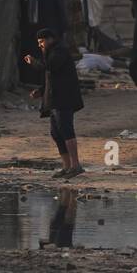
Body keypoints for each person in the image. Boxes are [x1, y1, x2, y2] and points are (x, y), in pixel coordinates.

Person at [25, 27, 85, 178]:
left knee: (66, 130)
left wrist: (33, 62)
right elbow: (51, 76)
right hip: (54, 99)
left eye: (42, 41)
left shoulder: (60, 51)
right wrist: (41, 90)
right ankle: (67, 166)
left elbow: (50, 67)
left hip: (63, 99)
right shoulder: (51, 52)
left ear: (50, 39)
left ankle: (76, 165)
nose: (40, 45)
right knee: (56, 133)